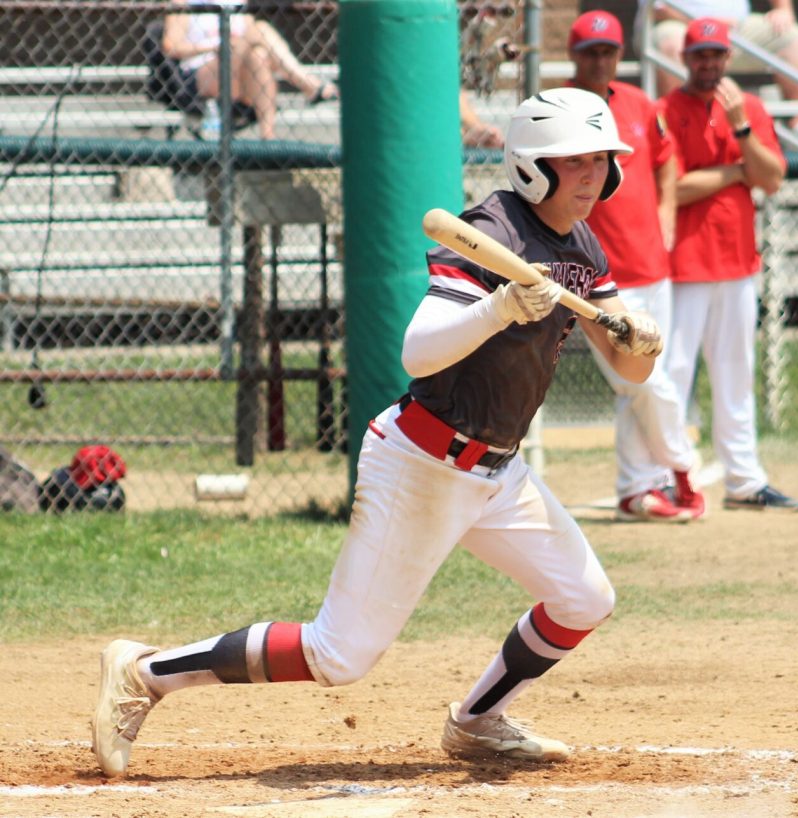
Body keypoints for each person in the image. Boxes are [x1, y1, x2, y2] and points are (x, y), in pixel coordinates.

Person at [90, 86, 664, 778]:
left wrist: (640, 338)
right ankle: (144, 672)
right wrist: (501, 308)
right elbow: (418, 353)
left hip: (498, 472)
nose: (593, 175)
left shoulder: (582, 243)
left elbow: (628, 372)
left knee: (585, 598)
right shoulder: (495, 232)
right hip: (424, 462)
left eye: (601, 161)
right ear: (532, 167)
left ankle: (476, 723)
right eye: (575, 162)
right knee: (338, 655)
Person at [659, 18, 798, 513]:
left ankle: (744, 481)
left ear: (728, 57)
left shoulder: (750, 108)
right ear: (685, 58)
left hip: (737, 263)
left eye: (716, 54)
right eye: (700, 54)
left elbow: (772, 178)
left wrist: (741, 128)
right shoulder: (666, 110)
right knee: (673, 375)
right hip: (683, 265)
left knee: (735, 376)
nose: (708, 63)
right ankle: (664, 478)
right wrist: (735, 173)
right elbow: (674, 190)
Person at [566, 10, 704, 523]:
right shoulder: (559, 109)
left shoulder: (641, 103)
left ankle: (637, 490)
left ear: (620, 55)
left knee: (640, 385)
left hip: (652, 265)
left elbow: (667, 161)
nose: (600, 60)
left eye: (608, 51)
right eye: (590, 52)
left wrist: (667, 214)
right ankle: (682, 465)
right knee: (641, 379)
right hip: (598, 274)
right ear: (573, 55)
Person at [161, 0, 339, 140]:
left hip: (242, 72)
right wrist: (216, 46)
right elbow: (171, 46)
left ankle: (268, 137)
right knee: (260, 30)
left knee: (259, 54)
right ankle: (309, 84)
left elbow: (251, 35)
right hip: (201, 72)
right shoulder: (185, 1)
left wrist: (234, 44)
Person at [634, 0, 798, 107]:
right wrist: (711, 24)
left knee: (792, 36)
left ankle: (794, 128)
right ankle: (676, 125)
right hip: (679, 25)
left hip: (736, 28)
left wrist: (783, 9)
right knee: (671, 43)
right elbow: (658, 9)